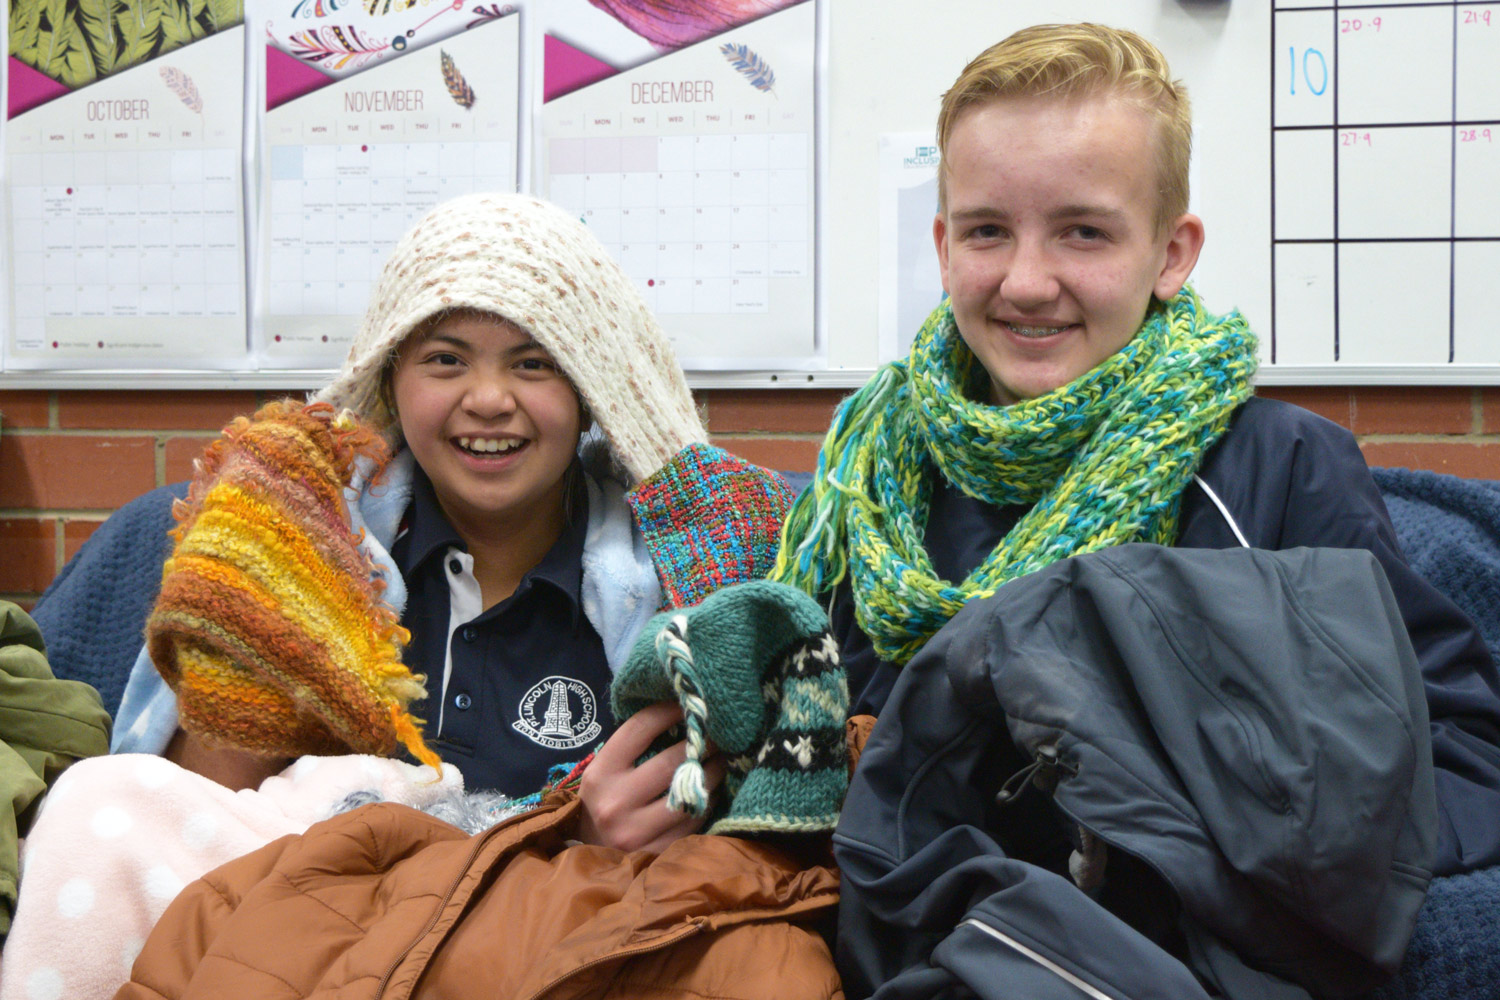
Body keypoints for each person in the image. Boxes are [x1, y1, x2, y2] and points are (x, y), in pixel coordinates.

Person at [773, 22, 1500, 880]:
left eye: (1084, 233)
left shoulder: (1283, 470)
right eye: (986, 232)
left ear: (1171, 254)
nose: (1028, 281)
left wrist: (1228, 875)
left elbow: (1461, 760)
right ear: (943, 248)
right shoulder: (865, 477)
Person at [111, 191, 796, 853]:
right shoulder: (302, 544)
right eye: (446, 360)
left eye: (534, 364)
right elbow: (191, 821)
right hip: (325, 937)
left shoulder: (690, 589)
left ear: (593, 396)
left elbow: (758, 833)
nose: (491, 400)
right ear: (388, 380)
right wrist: (253, 615)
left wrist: (599, 841)